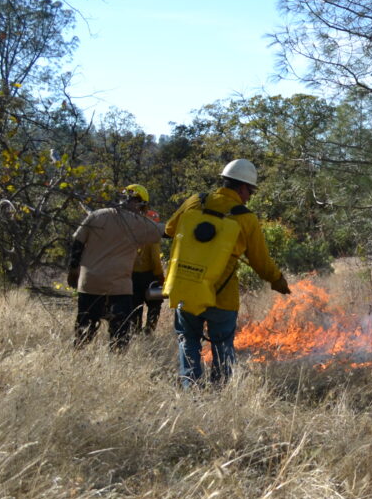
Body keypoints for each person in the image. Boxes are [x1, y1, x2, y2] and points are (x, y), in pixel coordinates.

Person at [164, 159, 290, 387]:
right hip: (221, 297)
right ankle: (220, 391)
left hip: (186, 289)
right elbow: (260, 261)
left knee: (188, 340)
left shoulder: (194, 202)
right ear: (242, 187)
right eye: (250, 191)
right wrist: (277, 280)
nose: (249, 196)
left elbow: (170, 229)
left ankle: (190, 388)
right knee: (222, 346)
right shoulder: (245, 218)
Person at [68, 184, 164, 350]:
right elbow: (166, 232)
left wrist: (73, 269)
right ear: (140, 203)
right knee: (120, 336)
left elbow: (77, 242)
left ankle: (77, 358)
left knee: (84, 331)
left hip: (89, 283)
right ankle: (116, 365)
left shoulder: (97, 215)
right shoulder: (139, 222)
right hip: (119, 288)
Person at [126, 184, 166, 334]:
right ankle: (148, 333)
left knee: (135, 307)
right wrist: (160, 277)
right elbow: (155, 258)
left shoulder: (123, 225)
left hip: (129, 275)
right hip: (149, 275)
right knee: (155, 304)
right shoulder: (150, 227)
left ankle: (136, 333)